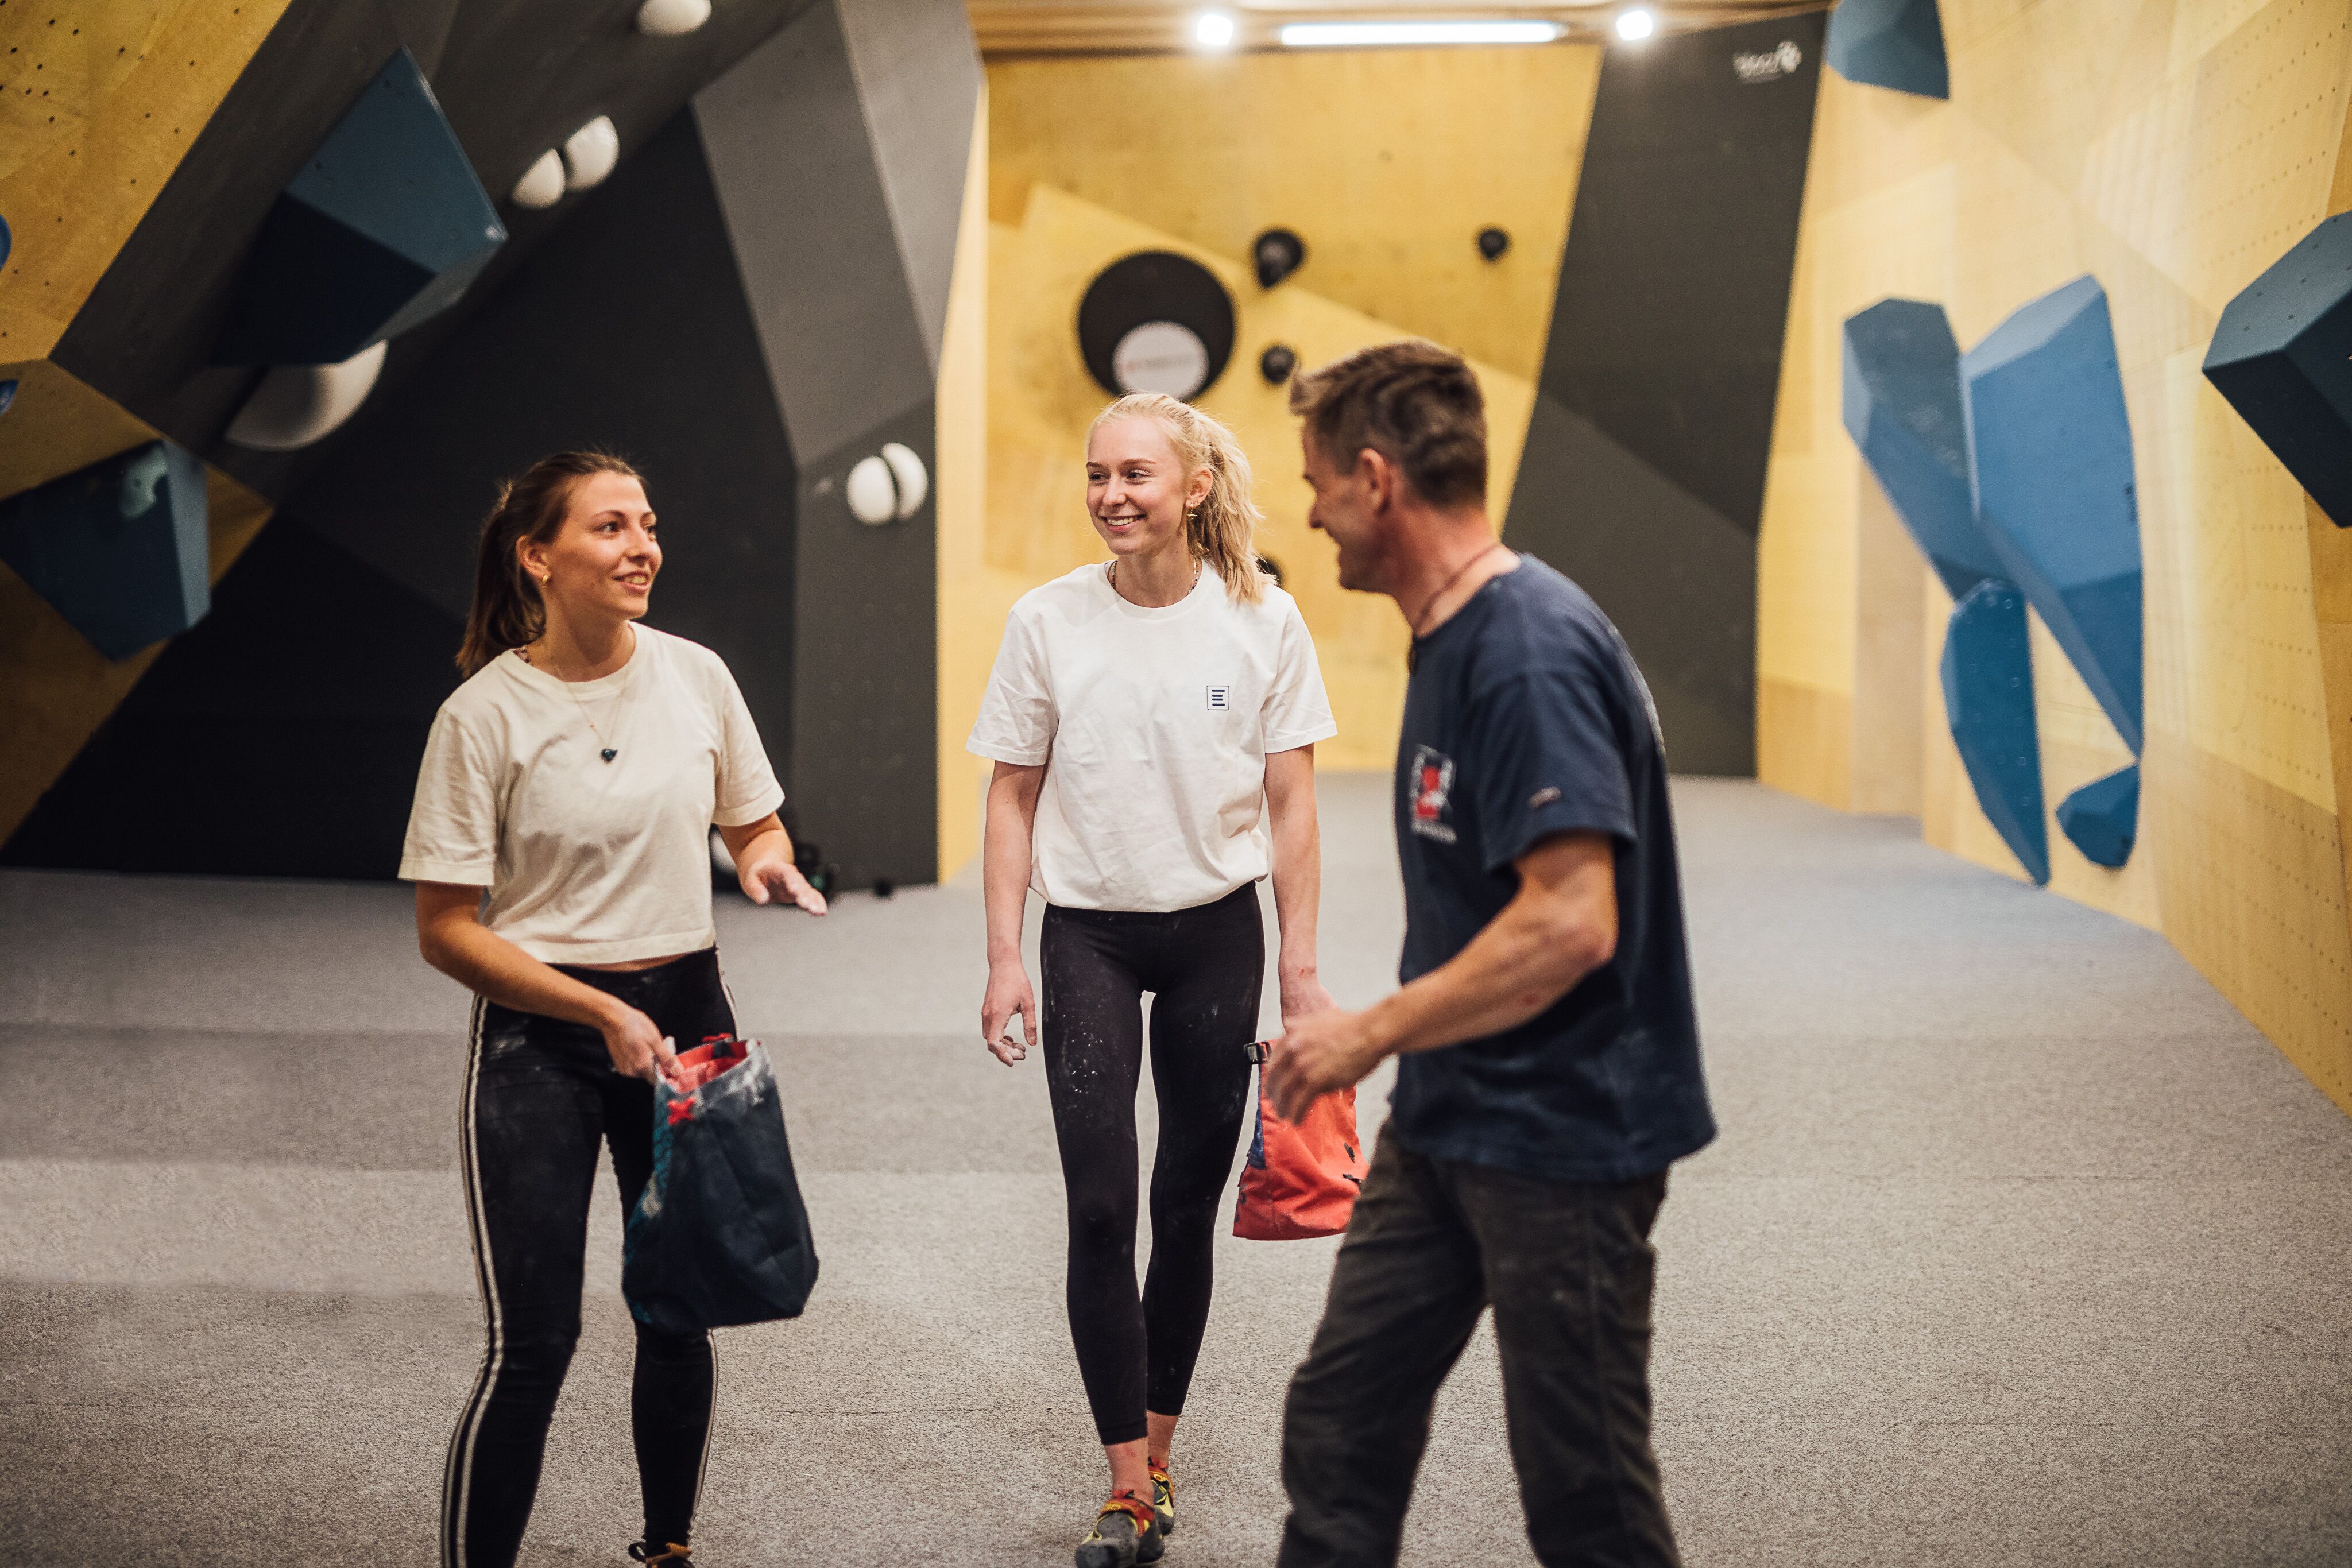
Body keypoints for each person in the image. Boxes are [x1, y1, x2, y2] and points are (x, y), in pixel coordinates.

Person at [1263, 342, 1716, 1568]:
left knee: (1585, 1495)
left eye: (1314, 481)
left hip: (1566, 1134)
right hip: (1452, 1116)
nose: (1306, 512)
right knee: (1341, 1419)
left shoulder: (1528, 651)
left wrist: (1365, 1030)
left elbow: (1572, 919)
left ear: (1374, 480)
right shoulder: (1450, 634)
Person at [402, 451, 828, 1568]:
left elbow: (753, 821)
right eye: (608, 528)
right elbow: (447, 928)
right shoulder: (482, 715)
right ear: (537, 555)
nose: (641, 545)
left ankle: (666, 1548)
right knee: (534, 1342)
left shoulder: (697, 675)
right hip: (544, 1034)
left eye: (647, 522)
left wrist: (764, 864)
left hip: (684, 1016)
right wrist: (594, 1012)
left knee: (678, 1309)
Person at [969, 393, 1340, 1568]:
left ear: (1191, 487)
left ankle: (1162, 1453)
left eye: (1135, 473)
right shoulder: (1045, 621)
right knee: (1096, 1204)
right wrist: (998, 956)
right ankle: (1122, 1484)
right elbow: (1011, 795)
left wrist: (1302, 973)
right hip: (1085, 936)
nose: (1111, 493)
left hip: (1211, 938)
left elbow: (1291, 806)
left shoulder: (1261, 619)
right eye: (1096, 474)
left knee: (1183, 1206)